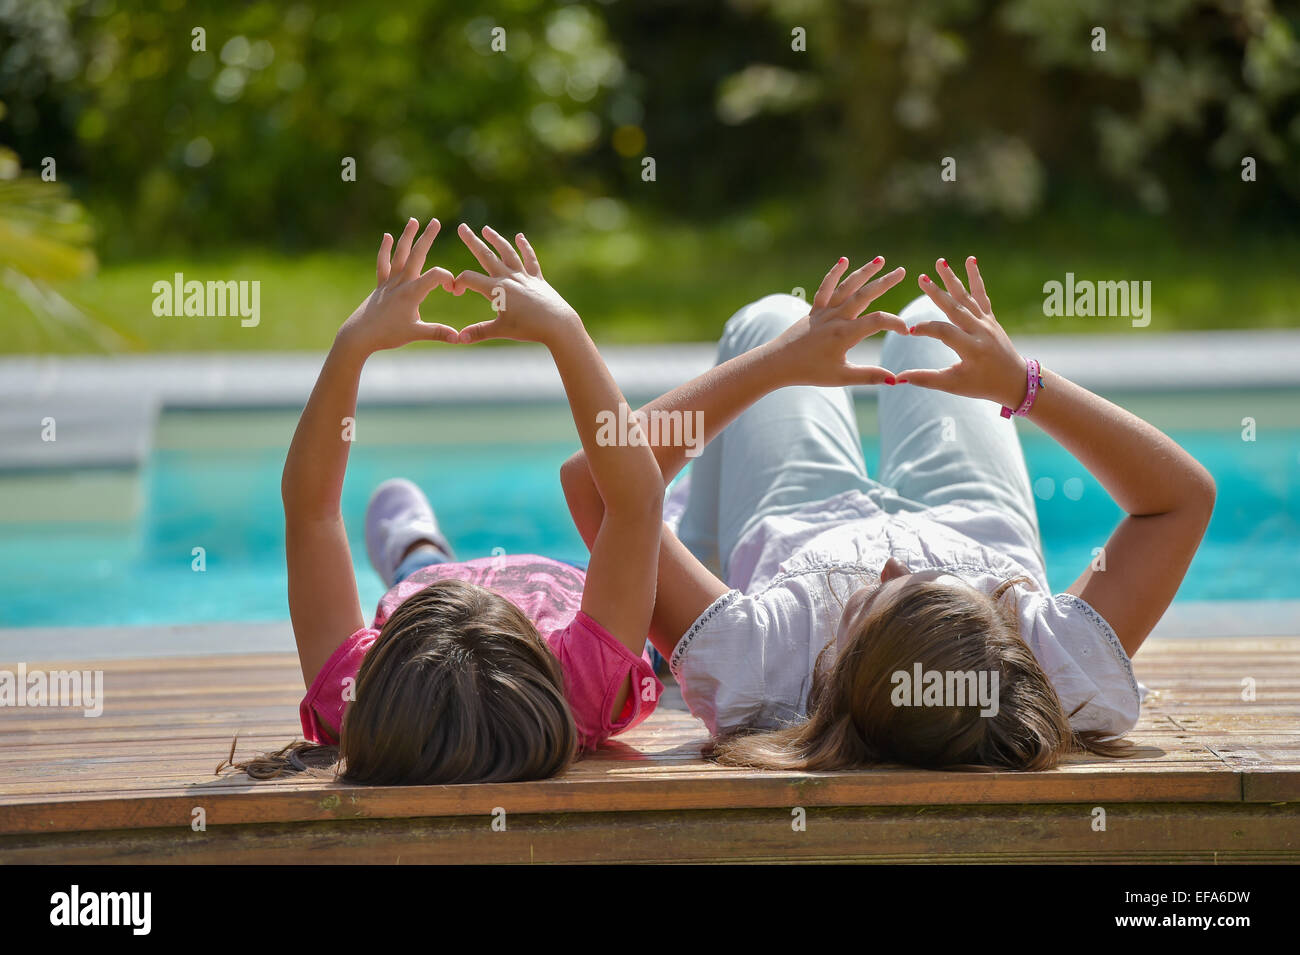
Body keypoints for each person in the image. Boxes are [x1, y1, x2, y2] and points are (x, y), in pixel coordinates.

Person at [561, 255, 1216, 771]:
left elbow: (597, 481)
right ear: (1006, 640)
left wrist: (774, 365)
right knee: (935, 322)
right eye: (934, 584)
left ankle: (687, 574)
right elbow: (1181, 499)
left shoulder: (758, 668)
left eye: (875, 596)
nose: (893, 564)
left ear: (839, 671)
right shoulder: (1059, 668)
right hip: (972, 511)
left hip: (799, 516)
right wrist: (1023, 385)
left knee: (770, 317)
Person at [231, 218, 664, 785]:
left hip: (427, 588)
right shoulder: (586, 689)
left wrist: (352, 345)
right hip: (564, 580)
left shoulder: (367, 701)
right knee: (660, 586)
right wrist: (565, 330)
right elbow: (638, 501)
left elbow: (312, 514)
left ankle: (417, 551)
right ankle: (418, 555)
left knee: (418, 571)